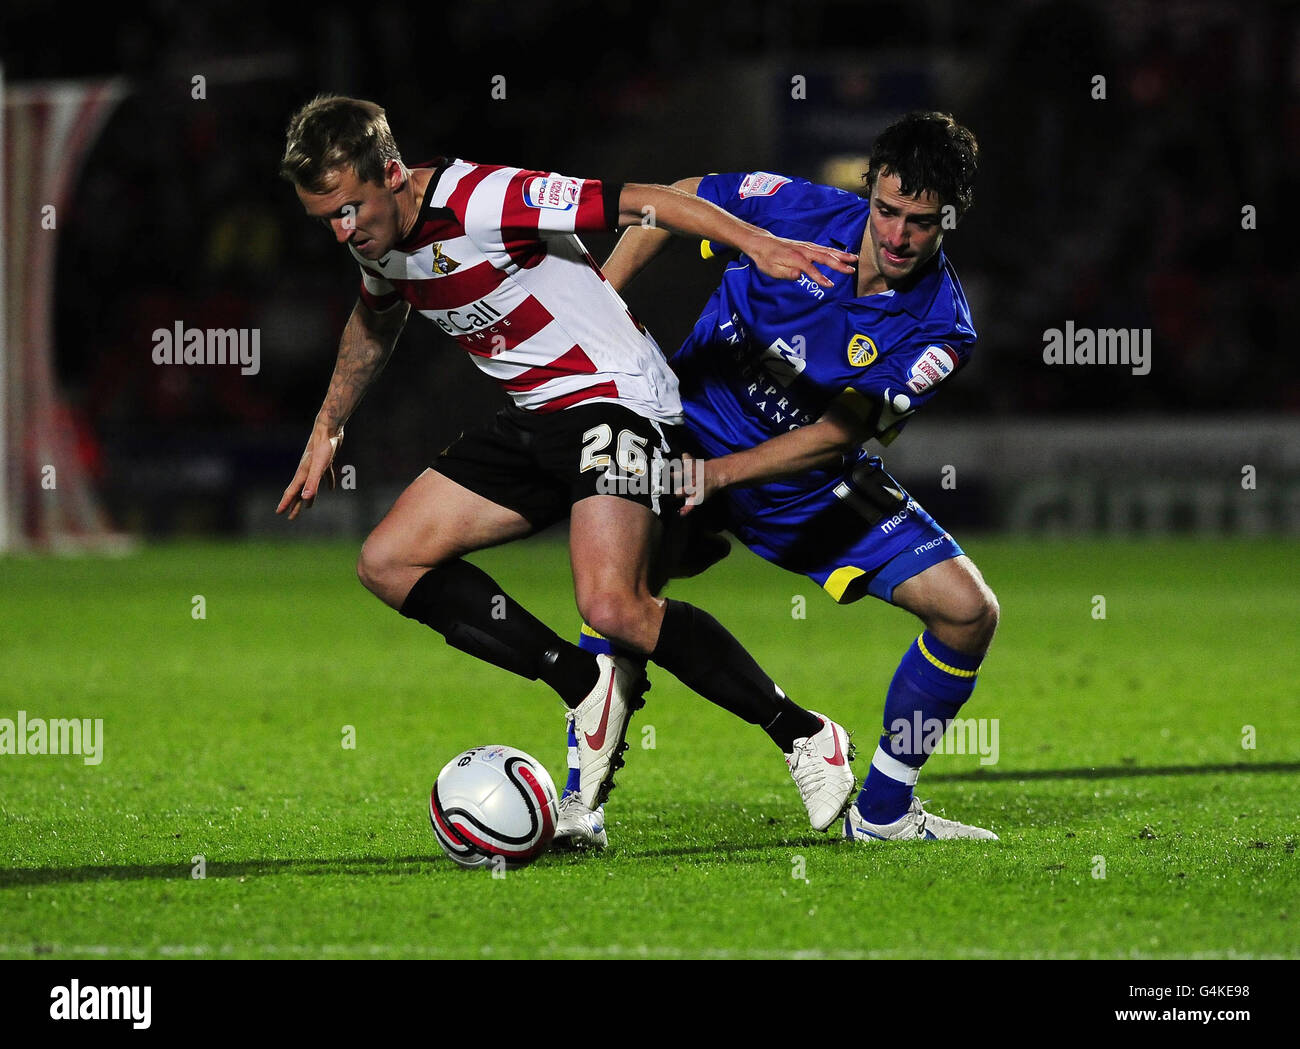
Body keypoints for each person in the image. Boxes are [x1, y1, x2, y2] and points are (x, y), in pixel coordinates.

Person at [274, 95, 862, 835]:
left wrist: (757, 244)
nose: (342, 231)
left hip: (619, 398)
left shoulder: (485, 197)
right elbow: (377, 314)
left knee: (614, 606)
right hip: (537, 416)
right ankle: (583, 683)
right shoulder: (373, 236)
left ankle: (807, 735)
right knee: (388, 561)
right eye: (325, 217)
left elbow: (644, 201)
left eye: (349, 209)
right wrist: (329, 425)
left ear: (392, 172)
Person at [556, 111, 1001, 847]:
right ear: (870, 192)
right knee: (617, 600)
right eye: (886, 211)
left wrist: (720, 474)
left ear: (948, 218)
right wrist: (603, 297)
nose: (895, 236)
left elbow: (836, 435)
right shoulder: (798, 209)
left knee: (968, 610)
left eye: (919, 223)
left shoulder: (942, 328)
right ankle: (581, 805)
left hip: (802, 480)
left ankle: (884, 812)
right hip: (683, 429)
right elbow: (679, 195)